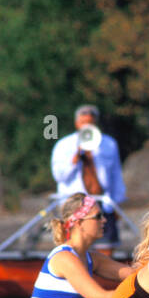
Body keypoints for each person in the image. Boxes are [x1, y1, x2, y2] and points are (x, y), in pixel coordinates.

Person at [28, 193, 134, 298]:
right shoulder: (64, 258)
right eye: (98, 216)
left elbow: (134, 274)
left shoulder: (91, 258)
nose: (104, 220)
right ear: (78, 223)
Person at [50, 104, 126, 244]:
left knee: (106, 247)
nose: (87, 127)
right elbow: (59, 176)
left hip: (103, 204)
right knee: (76, 246)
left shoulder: (109, 144)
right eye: (83, 123)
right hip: (74, 206)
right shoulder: (64, 145)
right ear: (76, 123)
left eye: (90, 123)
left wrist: (117, 204)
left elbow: (116, 175)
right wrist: (74, 161)